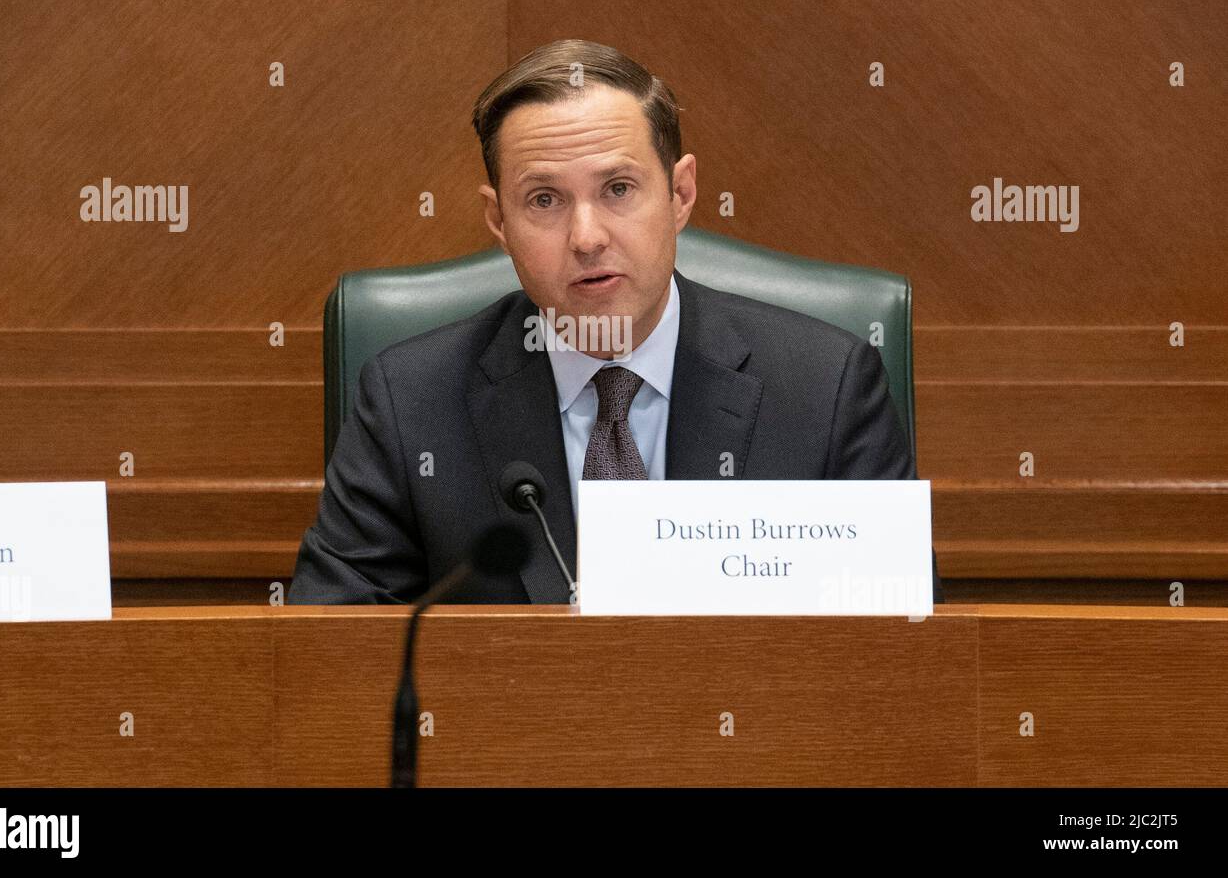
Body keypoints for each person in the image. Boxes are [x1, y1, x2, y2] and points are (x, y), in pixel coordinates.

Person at [288, 38, 943, 604]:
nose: (587, 235)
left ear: (680, 193)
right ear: (499, 222)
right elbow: (333, 649)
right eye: (543, 199)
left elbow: (902, 648)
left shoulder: (825, 387)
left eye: (618, 189)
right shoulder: (409, 402)